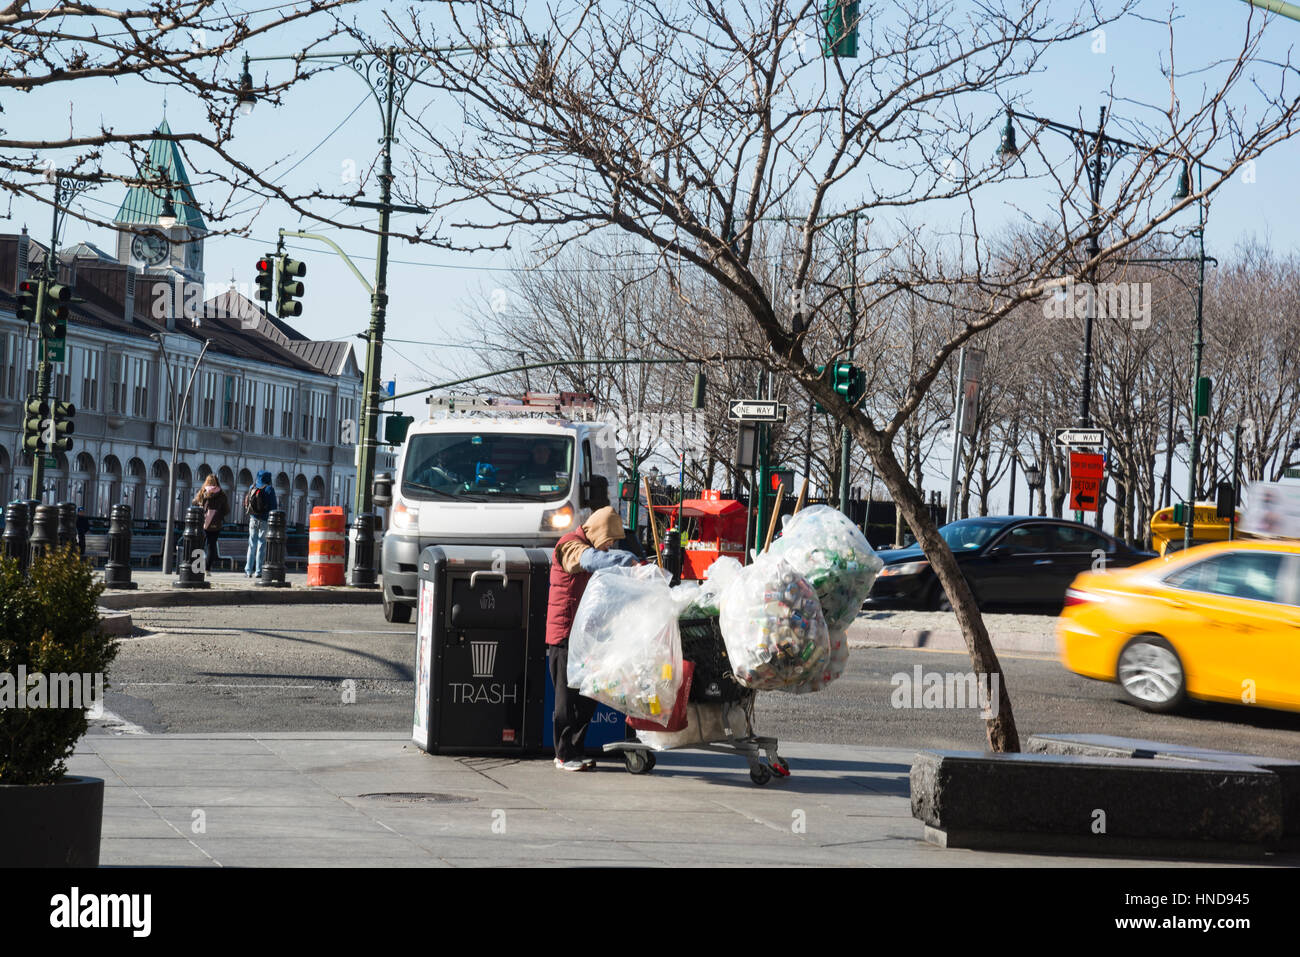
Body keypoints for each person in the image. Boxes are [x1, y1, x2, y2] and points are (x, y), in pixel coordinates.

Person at [546, 505, 640, 771]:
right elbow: (590, 561)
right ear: (598, 531)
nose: (609, 546)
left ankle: (575, 750)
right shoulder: (570, 546)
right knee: (567, 699)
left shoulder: (593, 548)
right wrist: (628, 560)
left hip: (585, 635)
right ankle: (564, 754)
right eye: (609, 539)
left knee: (589, 695)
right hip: (564, 634)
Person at [243, 470, 278, 579]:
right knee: (261, 545)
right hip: (264, 520)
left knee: (251, 544)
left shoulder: (252, 487)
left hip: (253, 519)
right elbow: (274, 507)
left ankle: (248, 570)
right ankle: (258, 571)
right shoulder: (269, 489)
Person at [193, 475, 229, 573]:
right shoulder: (221, 494)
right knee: (211, 546)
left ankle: (198, 568)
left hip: (203, 523)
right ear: (217, 482)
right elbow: (226, 510)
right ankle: (207, 569)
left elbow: (194, 503)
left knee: (200, 544)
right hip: (216, 524)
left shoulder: (203, 492)